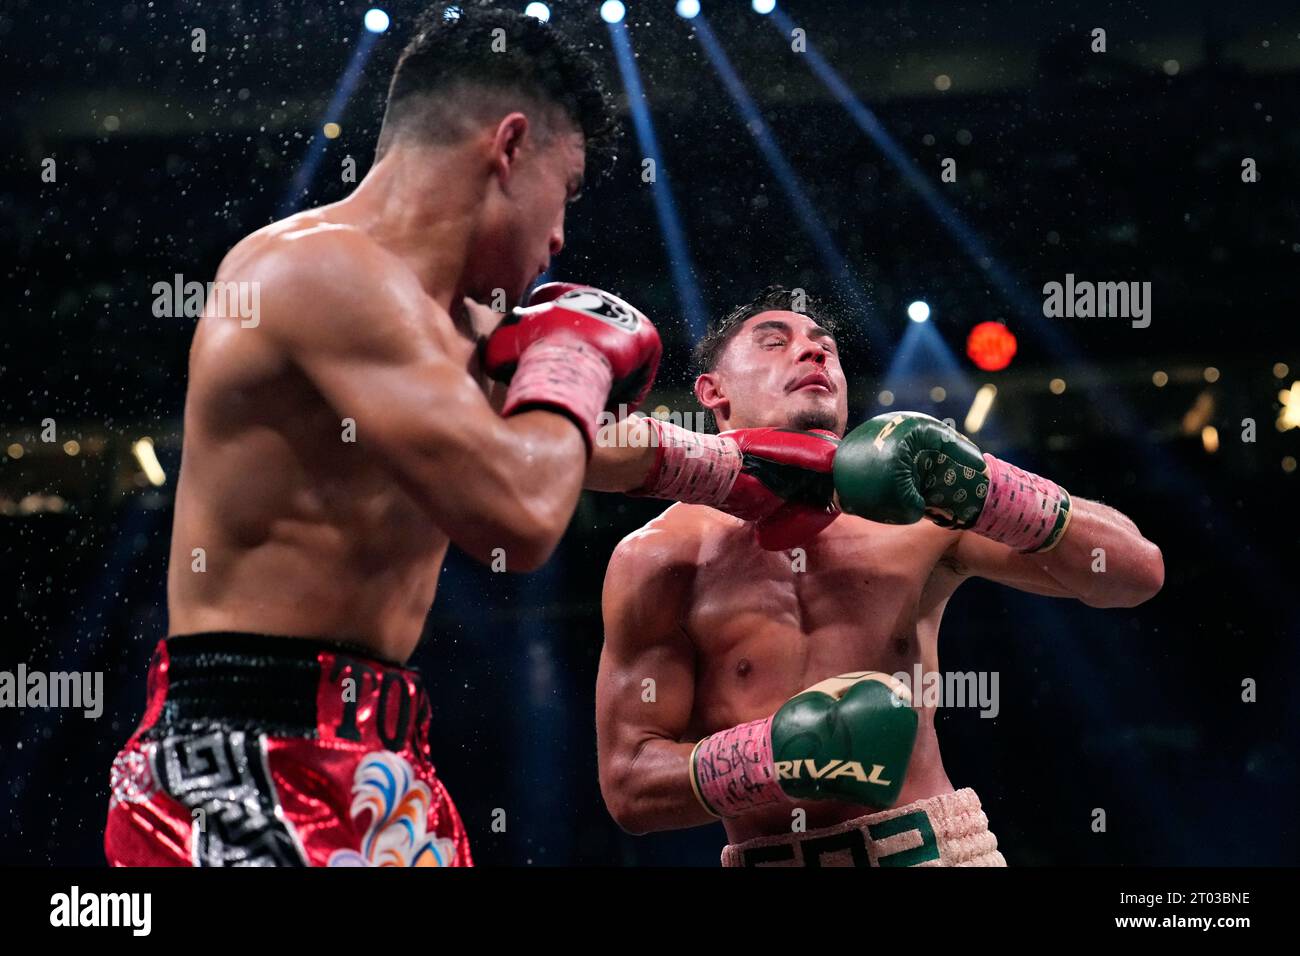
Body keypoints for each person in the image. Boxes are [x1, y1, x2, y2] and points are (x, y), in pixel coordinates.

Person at [105, 2, 658, 867]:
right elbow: (520, 508)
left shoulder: (468, 325)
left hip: (388, 757)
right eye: (568, 190)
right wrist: (575, 367)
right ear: (509, 148)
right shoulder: (320, 272)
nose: (561, 235)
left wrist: (750, 471)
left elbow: (573, 449)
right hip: (241, 759)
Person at [592, 286, 1165, 866]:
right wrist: (775, 757)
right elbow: (630, 786)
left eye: (826, 347)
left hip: (939, 852)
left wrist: (988, 489)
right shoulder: (659, 555)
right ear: (712, 392)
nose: (812, 353)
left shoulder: (919, 511)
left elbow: (1135, 573)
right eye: (774, 343)